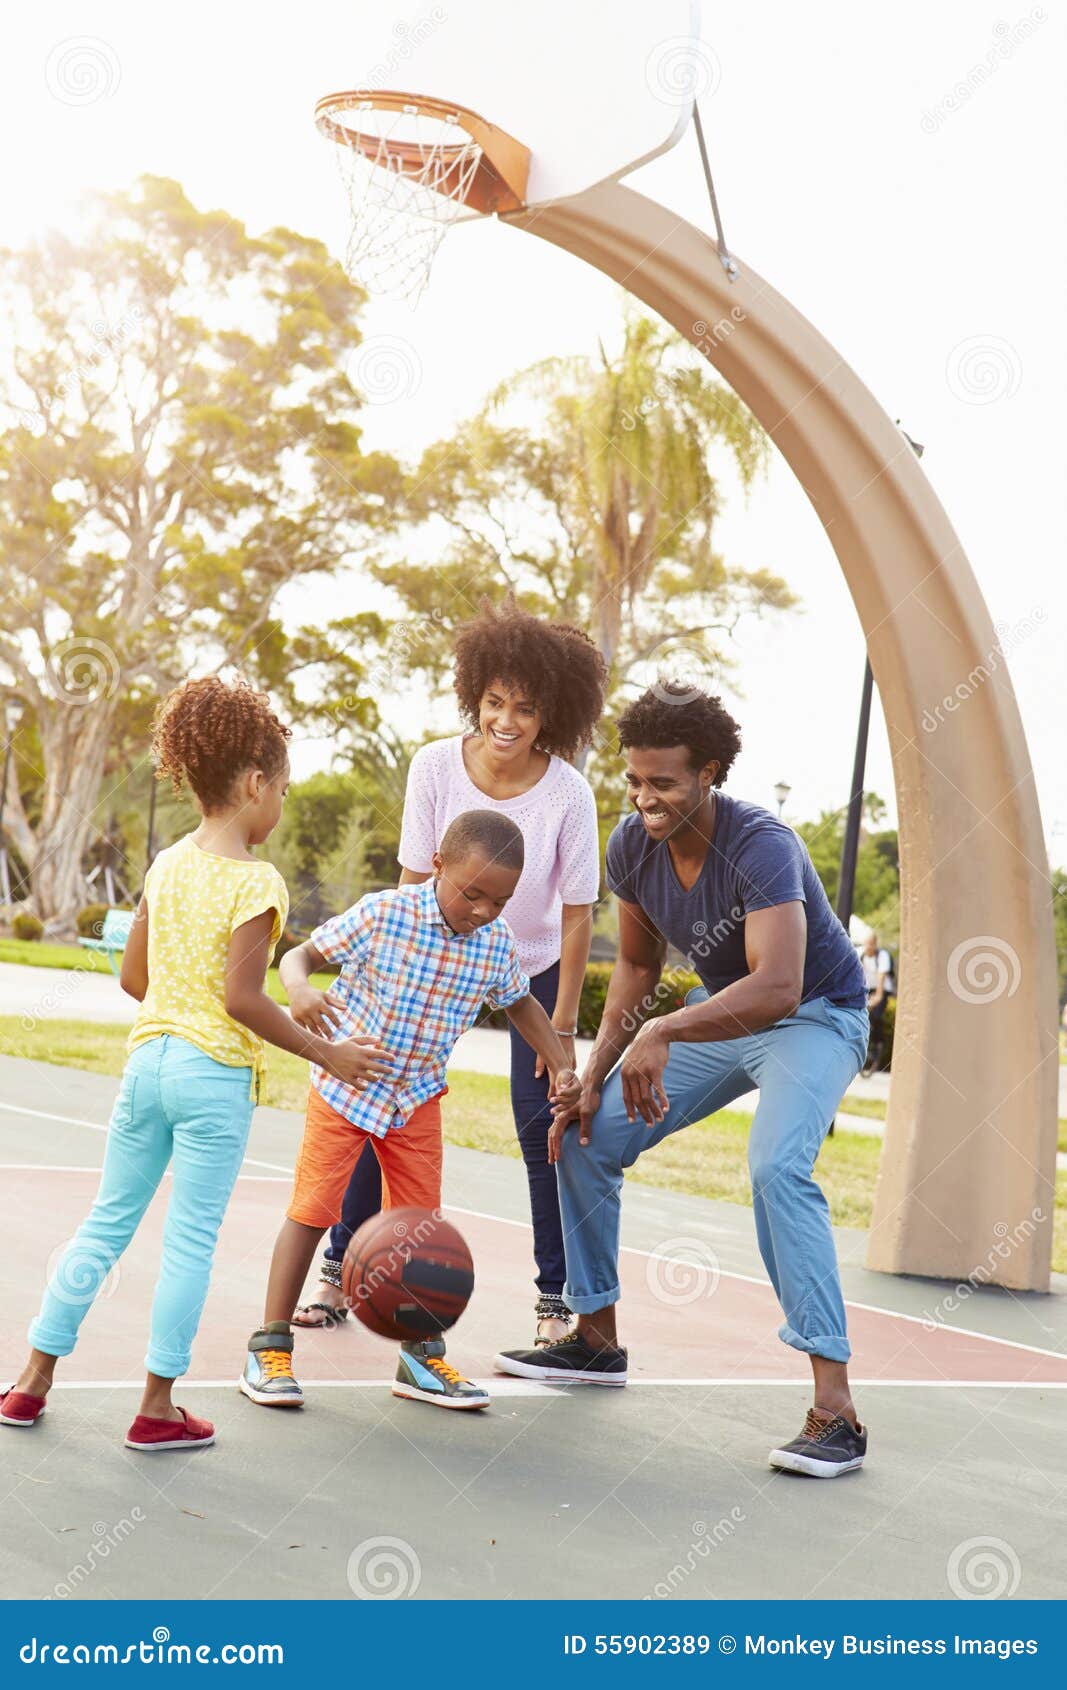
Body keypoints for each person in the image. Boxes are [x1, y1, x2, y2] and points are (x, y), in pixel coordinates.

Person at [495, 685, 872, 1478]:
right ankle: (595, 1340)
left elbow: (777, 985)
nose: (644, 799)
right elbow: (635, 965)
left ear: (709, 771)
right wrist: (592, 1076)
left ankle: (835, 1412)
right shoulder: (631, 845)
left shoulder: (760, 843)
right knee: (586, 1134)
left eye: (662, 783)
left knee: (776, 1168)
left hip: (815, 1016)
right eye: (634, 782)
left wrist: (663, 1029)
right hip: (723, 1016)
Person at [0, 676, 374, 1451]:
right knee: (190, 1241)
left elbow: (134, 980)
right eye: (282, 789)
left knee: (103, 1225)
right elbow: (243, 1000)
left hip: (147, 1067)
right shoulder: (257, 880)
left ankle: (30, 1382)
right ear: (251, 784)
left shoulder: (167, 862)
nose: (281, 805)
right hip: (212, 1078)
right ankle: (157, 1407)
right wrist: (325, 1053)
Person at [293, 598, 605, 1347]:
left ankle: (553, 1298)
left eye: (525, 709)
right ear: (476, 696)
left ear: (548, 715)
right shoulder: (434, 764)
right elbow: (409, 878)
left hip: (522, 969)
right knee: (375, 1104)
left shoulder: (568, 791)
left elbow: (576, 914)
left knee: (543, 1128)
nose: (506, 720)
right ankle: (339, 1271)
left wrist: (559, 1025)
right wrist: (374, 983)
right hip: (425, 955)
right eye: (494, 702)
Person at [240, 809, 582, 1412]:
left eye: (498, 901)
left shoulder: (494, 943)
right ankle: (269, 1347)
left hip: (417, 1096)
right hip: (347, 1084)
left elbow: (521, 1003)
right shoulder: (383, 913)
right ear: (438, 865)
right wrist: (299, 992)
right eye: (472, 893)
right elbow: (298, 958)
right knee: (314, 1210)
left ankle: (420, 1359)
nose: (481, 910)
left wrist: (558, 1060)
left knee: (422, 1232)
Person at [859, 931, 895, 1074]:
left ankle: (878, 1045)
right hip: (866, 989)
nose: (868, 947)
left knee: (875, 1015)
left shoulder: (882, 956)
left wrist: (878, 996)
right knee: (862, 1016)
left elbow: (881, 976)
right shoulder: (859, 954)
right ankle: (864, 1045)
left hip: (882, 989)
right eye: (866, 943)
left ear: (875, 944)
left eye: (871, 944)